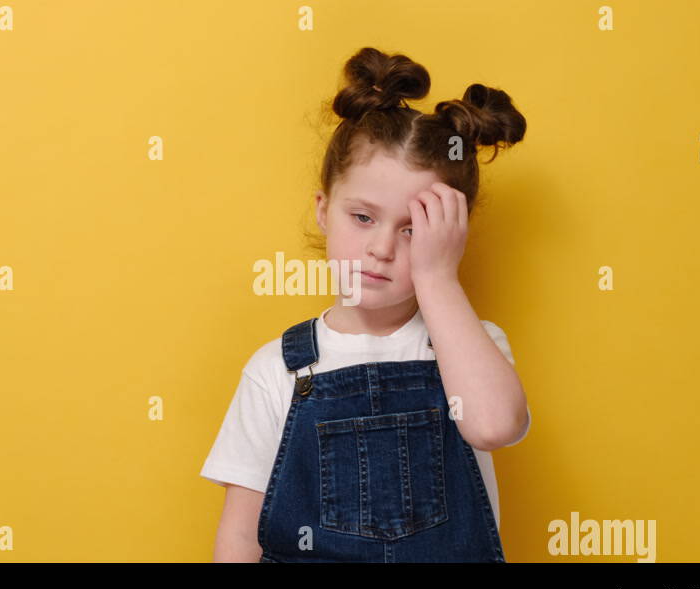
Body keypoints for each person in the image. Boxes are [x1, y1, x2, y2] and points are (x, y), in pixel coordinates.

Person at [201, 46, 530, 562]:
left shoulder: (470, 347)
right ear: (323, 211)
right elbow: (241, 537)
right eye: (363, 218)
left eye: (412, 228)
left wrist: (438, 278)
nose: (381, 248)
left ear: (450, 234)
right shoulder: (277, 370)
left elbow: (491, 425)